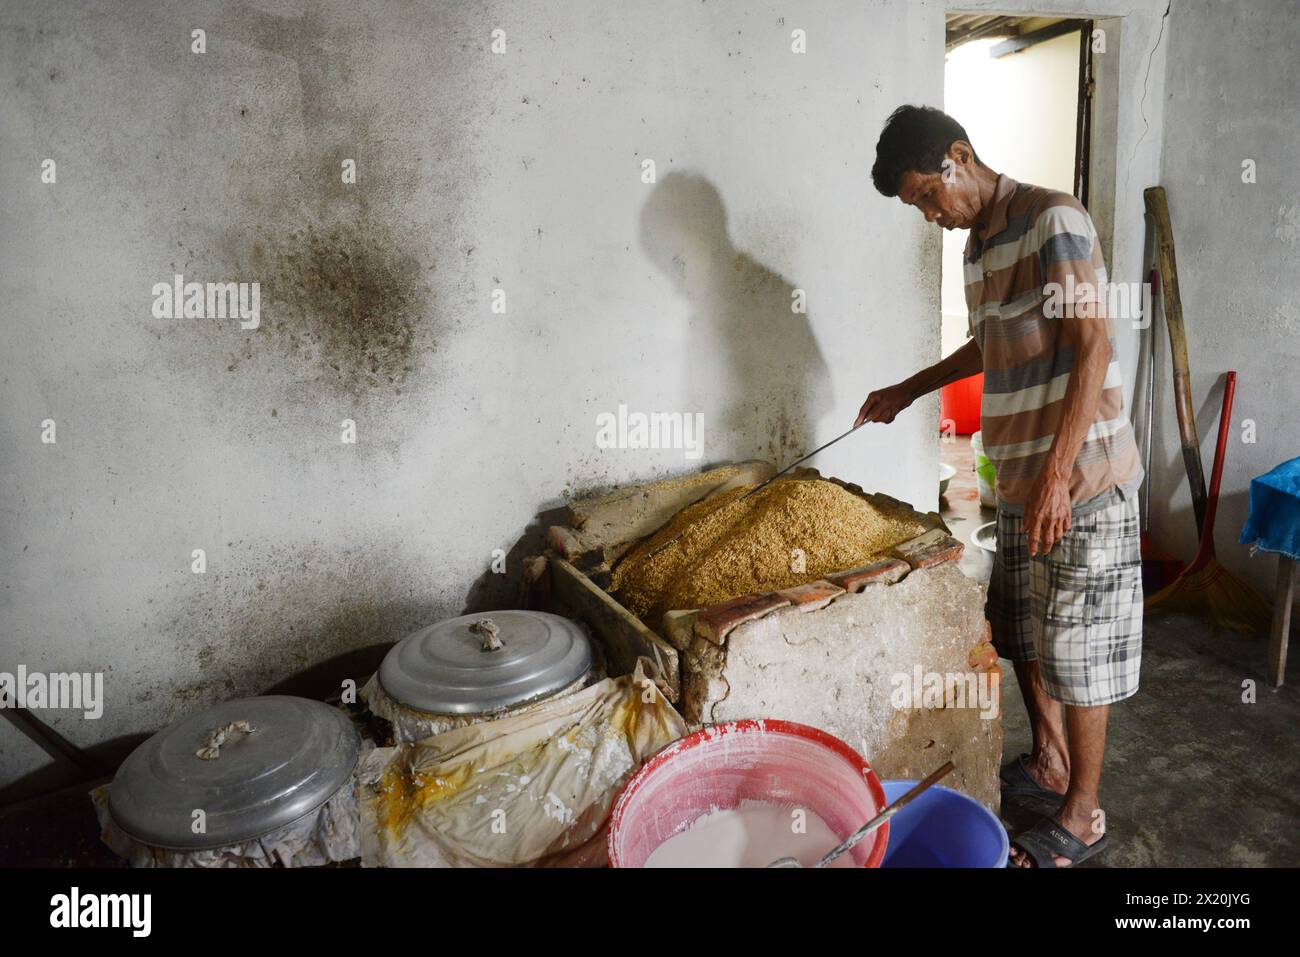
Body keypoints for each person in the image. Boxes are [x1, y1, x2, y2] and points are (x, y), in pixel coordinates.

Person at [857, 105, 1144, 868]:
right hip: (1021, 480)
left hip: (1079, 481)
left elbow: (1092, 345)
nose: (929, 215)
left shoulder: (1055, 218)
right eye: (917, 206)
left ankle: (1082, 813)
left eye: (927, 196)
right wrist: (907, 388)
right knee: (1021, 631)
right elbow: (986, 345)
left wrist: (1056, 474)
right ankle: (1049, 761)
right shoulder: (978, 249)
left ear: (958, 157)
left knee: (1078, 651)